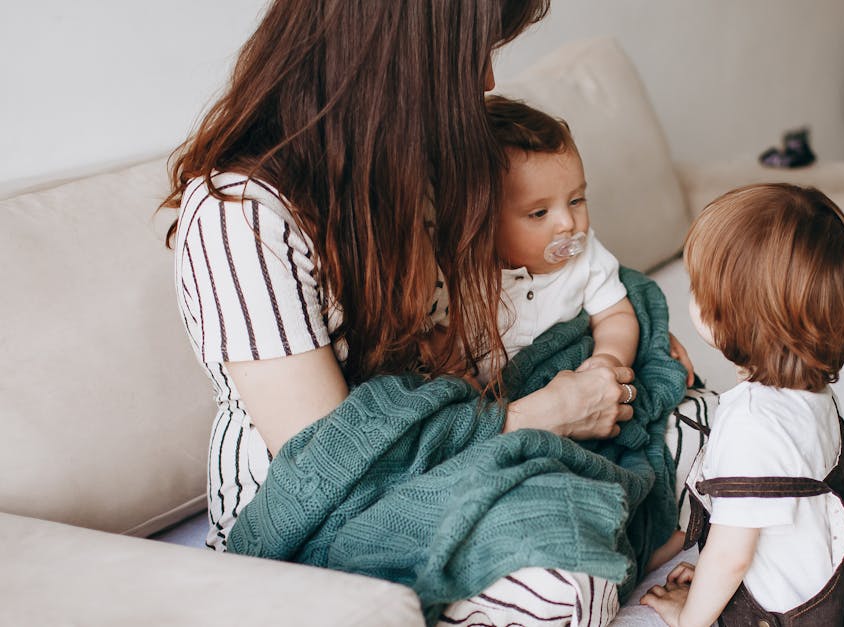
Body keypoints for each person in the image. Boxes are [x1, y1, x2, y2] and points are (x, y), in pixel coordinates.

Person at [161, 2, 690, 624]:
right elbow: (336, 465)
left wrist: (631, 343)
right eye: (474, 54)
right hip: (334, 502)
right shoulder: (242, 216)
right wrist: (546, 416)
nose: (488, 81)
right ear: (401, 60)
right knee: (564, 581)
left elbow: (544, 273)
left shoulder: (424, 165)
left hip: (475, 422)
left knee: (716, 431)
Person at [640, 184, 844, 626]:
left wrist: (691, 615)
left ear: (728, 316)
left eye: (698, 288)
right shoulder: (811, 393)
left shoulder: (752, 421)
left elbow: (732, 554)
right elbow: (772, 525)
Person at [479, 95, 638, 390]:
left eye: (576, 200)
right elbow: (444, 358)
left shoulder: (586, 254)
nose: (568, 223)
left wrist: (609, 358)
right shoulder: (465, 280)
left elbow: (615, 314)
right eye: (539, 213)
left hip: (574, 379)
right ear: (484, 225)